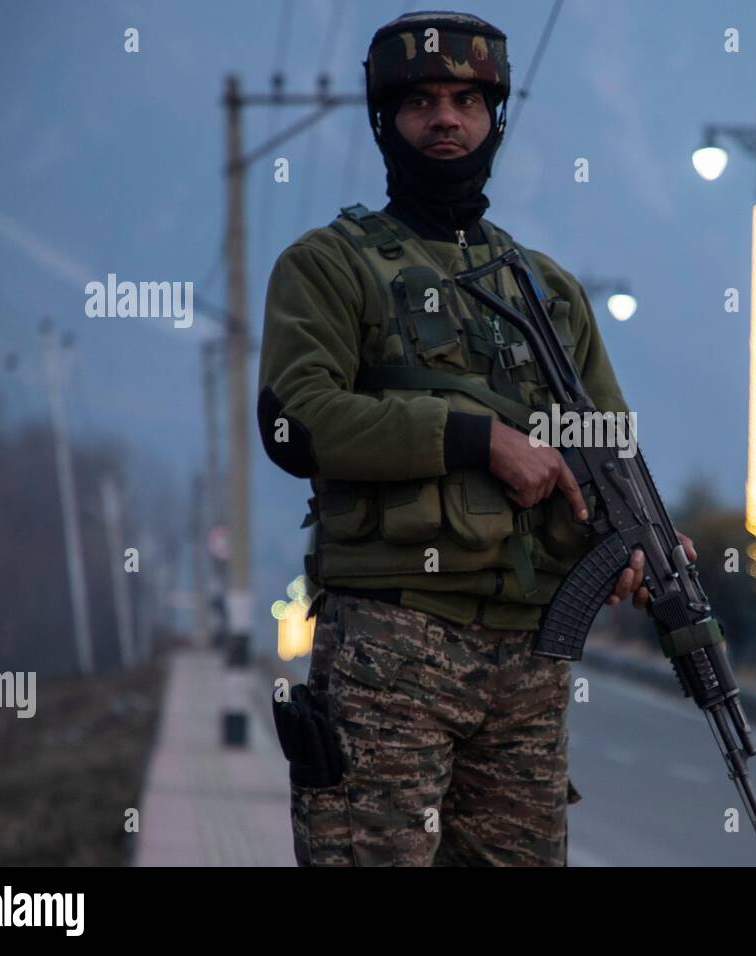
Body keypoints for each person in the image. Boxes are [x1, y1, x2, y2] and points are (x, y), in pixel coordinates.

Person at [257, 10, 693, 866]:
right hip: (389, 653)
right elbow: (295, 421)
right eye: (421, 102)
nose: (445, 119)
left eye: (466, 100)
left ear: (496, 117)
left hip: (529, 668)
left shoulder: (549, 291)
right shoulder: (330, 266)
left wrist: (642, 538)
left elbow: (605, 447)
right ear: (387, 121)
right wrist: (472, 438)